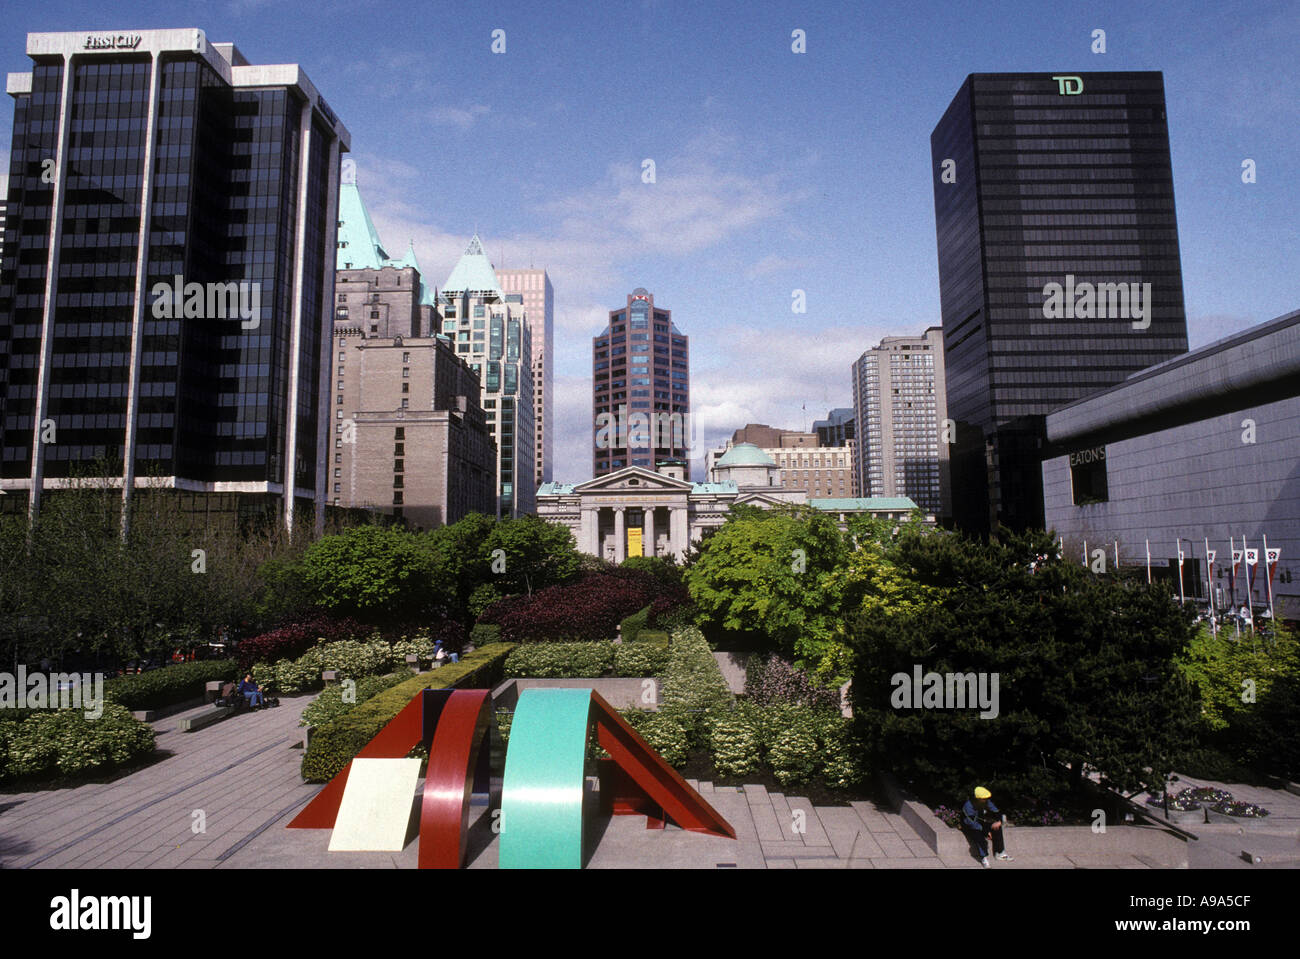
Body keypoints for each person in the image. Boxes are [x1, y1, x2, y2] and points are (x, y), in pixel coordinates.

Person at [962, 786, 1013, 867]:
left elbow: (996, 811)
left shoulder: (985, 801)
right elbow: (972, 824)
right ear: (978, 798)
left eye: (987, 798)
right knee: (979, 836)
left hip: (980, 822)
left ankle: (1000, 853)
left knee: (997, 828)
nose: (986, 800)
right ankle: (984, 858)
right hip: (969, 825)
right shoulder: (968, 806)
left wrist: (999, 821)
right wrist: (986, 832)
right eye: (984, 799)